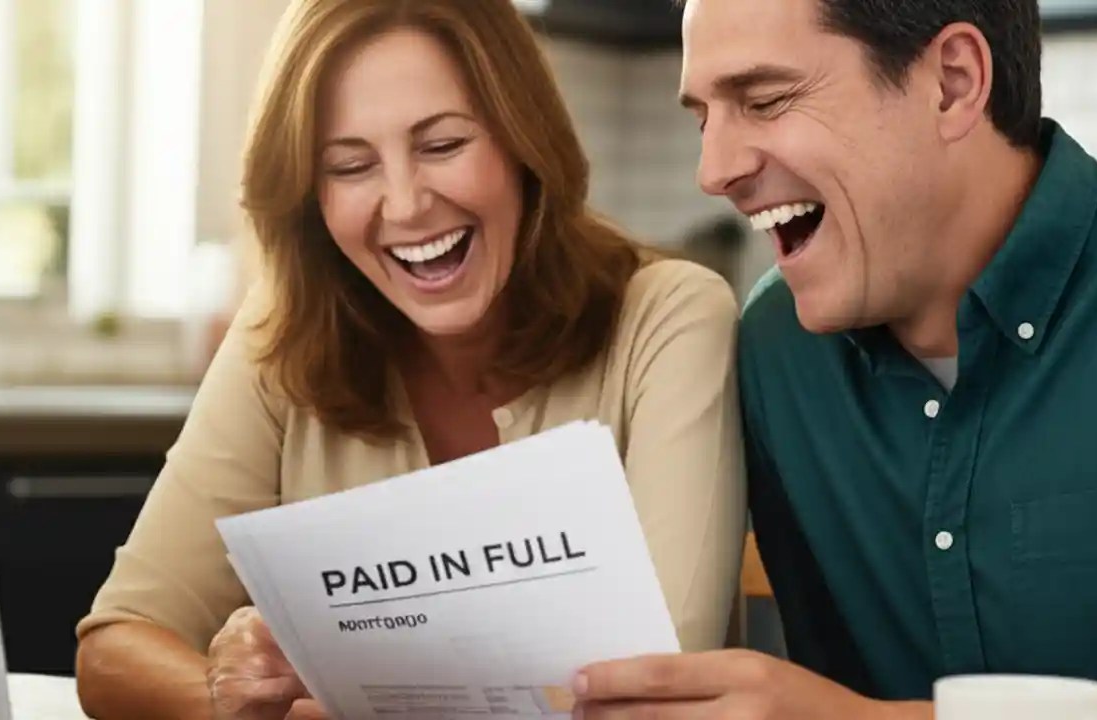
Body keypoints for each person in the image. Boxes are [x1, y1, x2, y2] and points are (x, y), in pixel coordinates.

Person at [72, 0, 748, 717]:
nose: (404, 204)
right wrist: (237, 696)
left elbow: (664, 690)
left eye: (443, 145)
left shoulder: (672, 317)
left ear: (524, 142)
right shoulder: (283, 339)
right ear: (312, 200)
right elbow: (114, 649)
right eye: (350, 165)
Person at [571, 0, 1097, 719]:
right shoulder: (778, 350)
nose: (713, 172)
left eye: (766, 99)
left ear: (953, 82)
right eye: (703, 118)